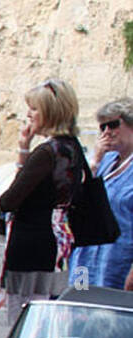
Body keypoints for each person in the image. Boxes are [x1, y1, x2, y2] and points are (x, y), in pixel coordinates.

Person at [0, 78, 88, 324]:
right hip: (56, 248)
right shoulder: (73, 148)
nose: (29, 114)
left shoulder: (47, 153)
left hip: (30, 250)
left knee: (23, 323)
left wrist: (23, 155)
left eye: (35, 108)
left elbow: (8, 200)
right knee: (46, 319)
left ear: (50, 112)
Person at [70, 99, 133, 290]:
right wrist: (95, 160)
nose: (106, 132)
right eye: (102, 127)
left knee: (110, 316)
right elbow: (77, 195)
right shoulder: (106, 160)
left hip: (117, 261)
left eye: (113, 125)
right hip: (86, 258)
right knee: (79, 306)